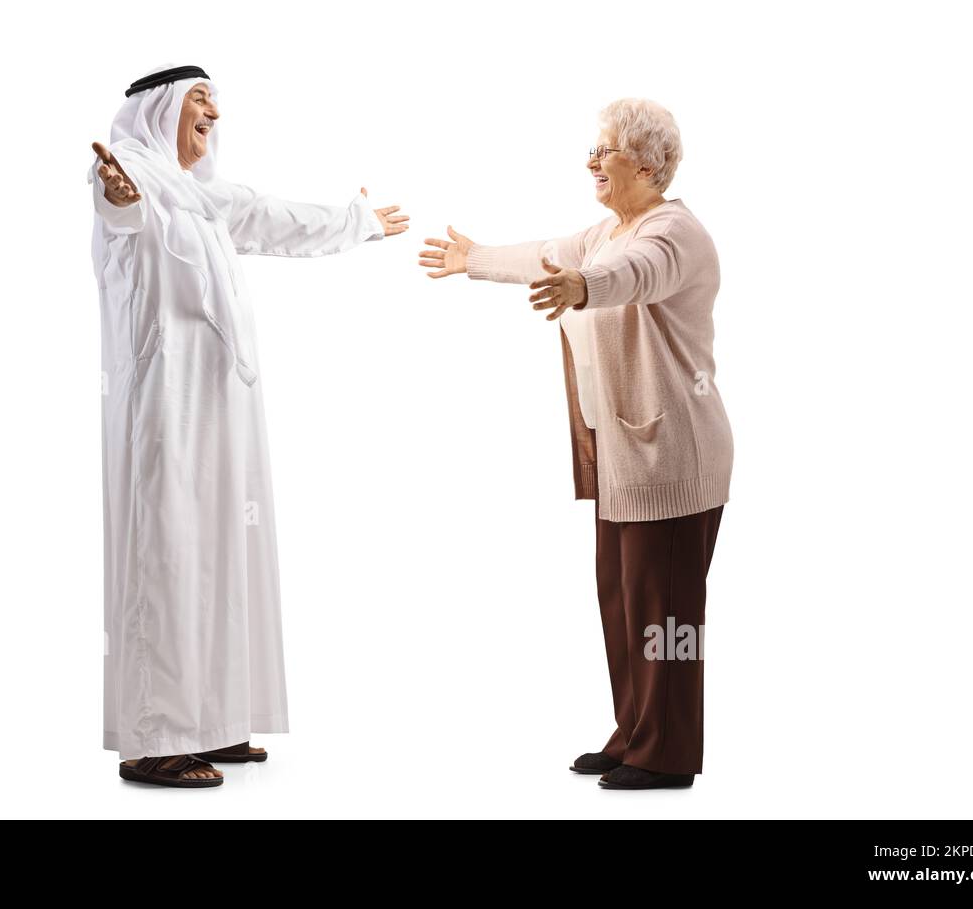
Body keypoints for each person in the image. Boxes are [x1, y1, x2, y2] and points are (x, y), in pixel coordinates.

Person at [89, 64, 408, 787]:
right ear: (157, 111)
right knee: (167, 553)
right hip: (162, 403)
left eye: (215, 103)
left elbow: (269, 215)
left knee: (219, 551)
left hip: (218, 403)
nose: (214, 114)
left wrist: (356, 223)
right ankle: (154, 738)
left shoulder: (198, 197)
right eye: (199, 100)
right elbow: (122, 208)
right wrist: (116, 194)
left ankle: (212, 721)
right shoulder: (130, 174)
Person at [419, 98, 731, 789]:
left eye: (606, 149)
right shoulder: (607, 232)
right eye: (592, 148)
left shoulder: (670, 233)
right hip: (626, 457)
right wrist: (473, 259)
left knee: (668, 615)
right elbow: (545, 255)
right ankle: (634, 733)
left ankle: (667, 752)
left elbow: (635, 276)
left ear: (646, 164)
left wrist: (584, 287)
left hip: (673, 456)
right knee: (624, 600)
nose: (591, 160)